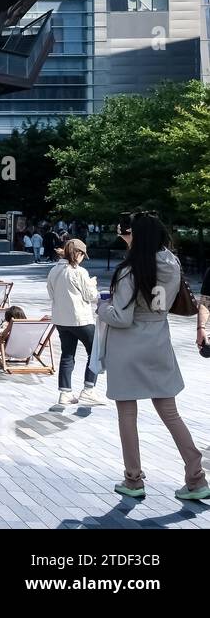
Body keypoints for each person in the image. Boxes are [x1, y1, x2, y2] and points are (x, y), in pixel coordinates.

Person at [102, 213, 208, 501]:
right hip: (158, 341)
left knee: (127, 413)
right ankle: (197, 478)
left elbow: (121, 318)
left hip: (127, 348)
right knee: (170, 413)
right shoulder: (171, 264)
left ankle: (133, 480)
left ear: (135, 236)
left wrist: (100, 307)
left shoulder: (130, 270)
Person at [46, 236, 101, 407]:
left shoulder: (54, 270)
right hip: (80, 319)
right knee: (96, 352)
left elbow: (51, 293)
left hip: (61, 320)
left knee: (67, 354)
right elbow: (91, 296)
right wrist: (92, 284)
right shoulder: (79, 272)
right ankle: (88, 390)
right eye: (83, 255)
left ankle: (65, 393)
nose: (83, 258)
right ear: (77, 254)